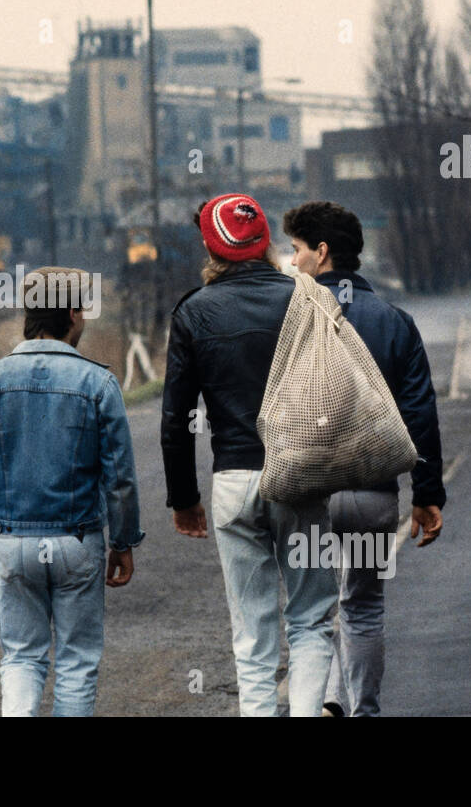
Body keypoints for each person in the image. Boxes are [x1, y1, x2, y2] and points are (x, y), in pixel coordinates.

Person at [162, 192, 337, 717]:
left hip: (233, 481)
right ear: (264, 243)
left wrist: (182, 498)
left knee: (252, 634)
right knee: (310, 618)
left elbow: (175, 418)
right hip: (299, 477)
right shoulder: (305, 298)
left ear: (211, 249)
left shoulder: (193, 312)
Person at [0, 266, 142, 717]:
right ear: (72, 313)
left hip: (13, 541)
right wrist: (124, 541)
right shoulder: (99, 383)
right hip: (77, 540)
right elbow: (121, 478)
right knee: (76, 661)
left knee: (21, 656)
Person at [282, 200, 445, 717]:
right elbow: (419, 412)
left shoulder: (291, 317)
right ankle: (361, 710)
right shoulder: (396, 321)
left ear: (322, 252)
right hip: (373, 492)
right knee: (364, 605)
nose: (291, 261)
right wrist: (428, 495)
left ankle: (321, 701)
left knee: (308, 612)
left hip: (307, 491)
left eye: (297, 249)